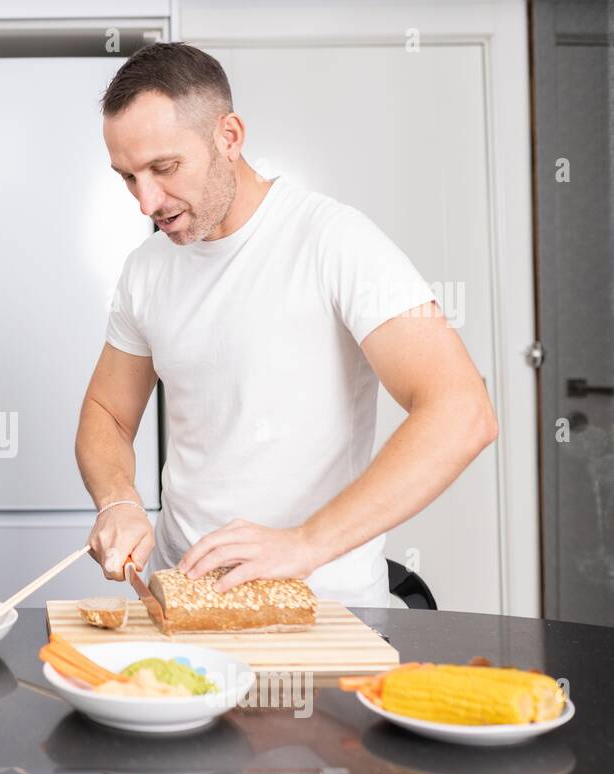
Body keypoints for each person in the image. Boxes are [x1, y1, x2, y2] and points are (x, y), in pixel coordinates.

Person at [77, 43, 497, 605]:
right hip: (189, 604)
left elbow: (463, 411)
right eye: (128, 177)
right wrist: (118, 500)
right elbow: (106, 412)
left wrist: (305, 543)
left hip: (326, 607)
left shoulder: (335, 241)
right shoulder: (146, 270)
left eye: (164, 167)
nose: (146, 201)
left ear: (229, 136)